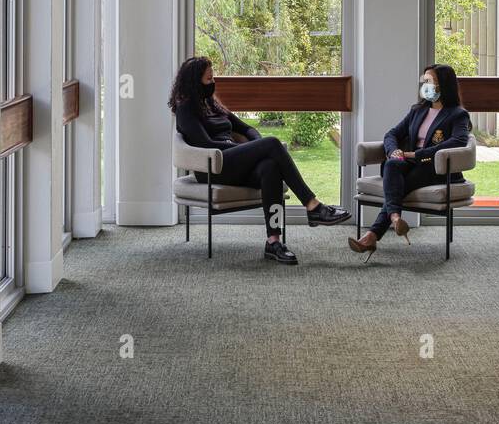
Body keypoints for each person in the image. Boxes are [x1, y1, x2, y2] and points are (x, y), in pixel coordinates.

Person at [170, 56, 351, 266]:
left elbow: (246, 128)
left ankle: (273, 242)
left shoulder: (212, 104)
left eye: (213, 78)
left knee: (270, 167)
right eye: (208, 80)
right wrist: (248, 150)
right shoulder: (186, 109)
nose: (213, 84)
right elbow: (207, 144)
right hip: (212, 166)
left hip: (233, 161)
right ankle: (312, 206)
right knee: (272, 143)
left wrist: (255, 146)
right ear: (194, 82)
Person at [348, 63, 471, 256]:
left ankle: (372, 235)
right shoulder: (418, 110)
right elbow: (392, 134)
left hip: (435, 168)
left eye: (430, 81)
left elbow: (458, 141)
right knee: (391, 164)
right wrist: (394, 151)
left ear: (443, 85)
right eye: (424, 81)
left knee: (398, 187)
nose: (425, 86)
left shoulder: (457, 114)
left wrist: (416, 154)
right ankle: (395, 218)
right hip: (409, 163)